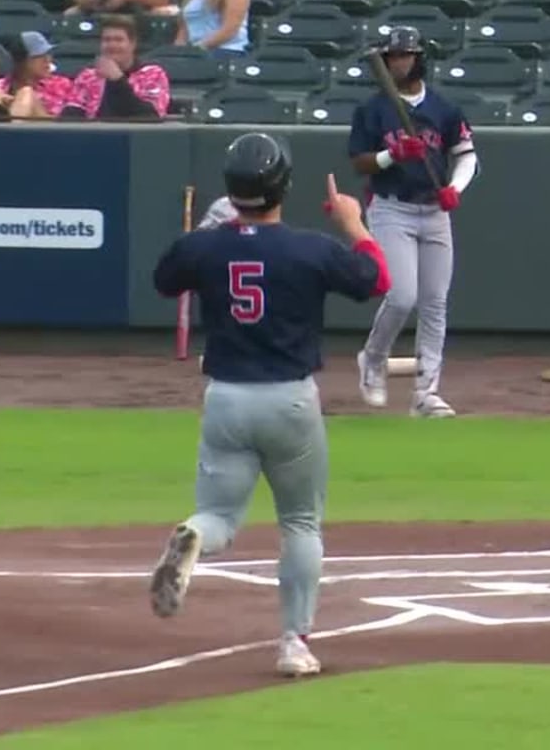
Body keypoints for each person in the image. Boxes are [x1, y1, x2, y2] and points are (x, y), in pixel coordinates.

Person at [148, 132, 392, 677]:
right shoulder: (311, 248)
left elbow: (165, 279)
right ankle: (293, 643)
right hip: (290, 400)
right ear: (282, 185)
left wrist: (212, 233)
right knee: (301, 523)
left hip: (227, 399)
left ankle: (193, 537)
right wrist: (352, 223)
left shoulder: (208, 245)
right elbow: (378, 279)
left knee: (217, 516)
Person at [348, 26, 479, 418]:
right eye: (392, 57)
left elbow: (467, 154)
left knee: (435, 302)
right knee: (402, 295)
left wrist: (454, 188)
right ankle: (373, 359)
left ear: (419, 58)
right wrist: (392, 155)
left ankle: (426, 392)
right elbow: (359, 161)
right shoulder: (372, 110)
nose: (397, 63)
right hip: (392, 207)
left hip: (434, 209)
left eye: (403, 56)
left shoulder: (444, 109)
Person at [59, 13, 171, 119]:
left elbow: (151, 117)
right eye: (107, 40)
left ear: (132, 44)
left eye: (118, 40)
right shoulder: (88, 76)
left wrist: (117, 80)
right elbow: (71, 114)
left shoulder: (152, 74)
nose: (112, 45)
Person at [0, 31, 72, 120]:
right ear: (21, 61)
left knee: (26, 93)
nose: (47, 60)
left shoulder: (61, 84)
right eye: (39, 56)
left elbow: (69, 122)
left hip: (47, 133)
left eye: (47, 54)